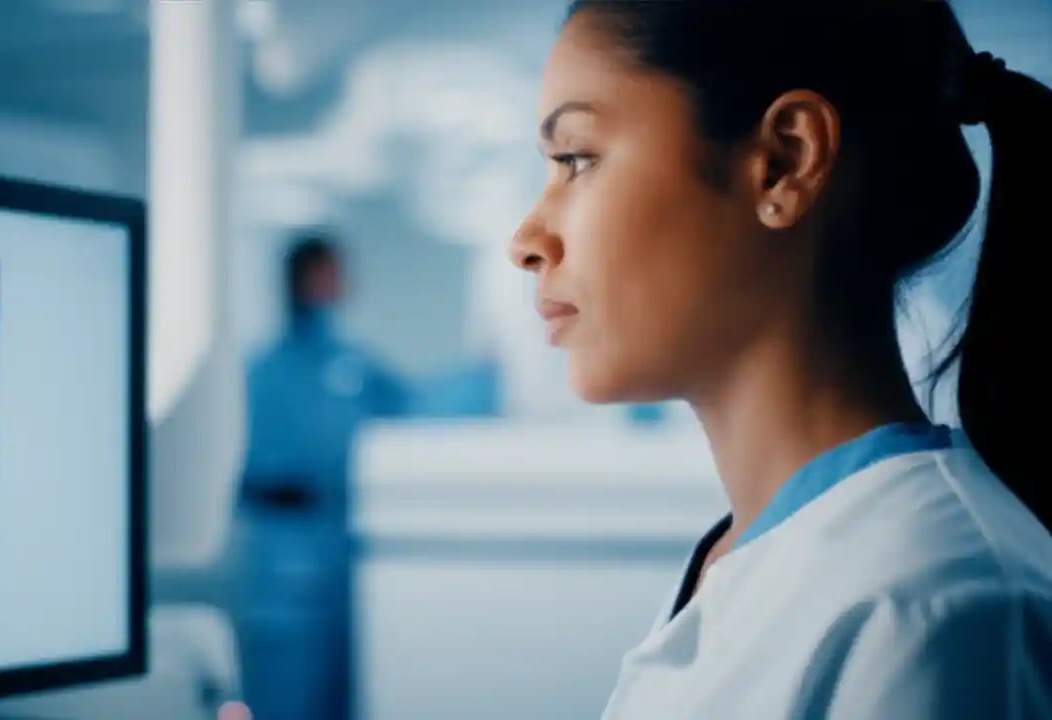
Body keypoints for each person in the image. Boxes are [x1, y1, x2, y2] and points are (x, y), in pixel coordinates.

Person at [226, 1, 1051, 717]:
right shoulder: (743, 556)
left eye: (576, 159)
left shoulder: (944, 607)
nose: (525, 240)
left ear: (784, 161)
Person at [227, 231, 407, 720]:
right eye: (329, 272)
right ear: (301, 279)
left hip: (342, 572)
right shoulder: (263, 371)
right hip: (282, 576)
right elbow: (244, 476)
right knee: (283, 695)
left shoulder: (356, 367)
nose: (340, 284)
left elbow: (419, 403)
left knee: (345, 696)